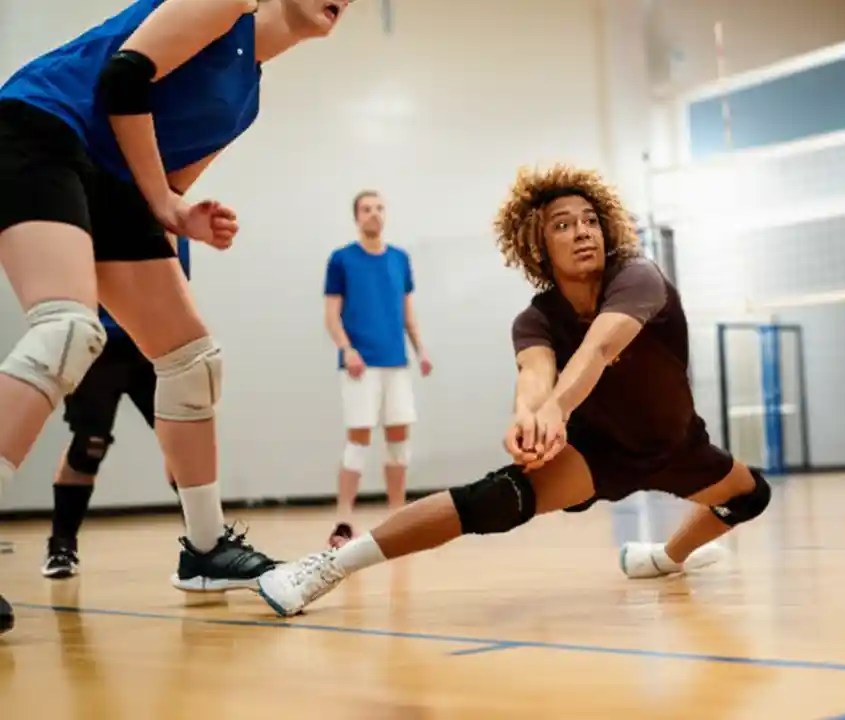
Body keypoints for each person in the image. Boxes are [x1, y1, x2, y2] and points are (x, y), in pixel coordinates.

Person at [254, 165, 774, 617]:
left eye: (590, 220)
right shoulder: (535, 319)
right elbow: (534, 376)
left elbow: (596, 349)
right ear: (537, 243)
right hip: (598, 456)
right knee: (495, 499)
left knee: (751, 495)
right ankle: (327, 566)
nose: (582, 232)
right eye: (563, 225)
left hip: (678, 445)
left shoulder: (637, 277)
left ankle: (662, 558)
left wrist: (554, 409)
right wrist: (527, 419)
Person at [0, 0, 354, 634]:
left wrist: (179, 214)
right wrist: (163, 201)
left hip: (106, 177)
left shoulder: (245, 100)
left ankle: (206, 550)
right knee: (66, 331)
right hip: (37, 128)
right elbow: (124, 77)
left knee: (192, 359)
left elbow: (158, 187)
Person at [42, 234, 191, 579]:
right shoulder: (94, 198)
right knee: (88, 446)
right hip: (98, 344)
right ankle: (61, 547)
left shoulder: (170, 212)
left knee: (184, 444)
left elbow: (175, 282)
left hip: (155, 344)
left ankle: (206, 542)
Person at [323, 190, 432, 548]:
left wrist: (421, 350)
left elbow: (408, 314)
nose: (374, 214)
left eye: (379, 208)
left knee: (399, 438)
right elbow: (331, 315)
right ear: (356, 217)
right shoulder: (341, 260)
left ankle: (397, 515)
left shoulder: (400, 259)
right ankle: (343, 519)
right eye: (366, 209)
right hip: (360, 366)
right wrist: (347, 350)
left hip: (395, 363)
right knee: (359, 439)